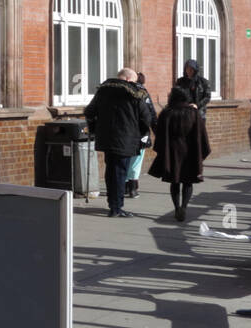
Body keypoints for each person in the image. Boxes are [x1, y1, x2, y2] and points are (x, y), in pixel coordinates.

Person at [84, 67, 156, 218]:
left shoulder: (102, 91)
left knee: (111, 171)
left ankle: (113, 204)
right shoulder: (135, 93)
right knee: (120, 173)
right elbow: (146, 118)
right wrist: (142, 132)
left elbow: (89, 111)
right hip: (127, 138)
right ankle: (116, 208)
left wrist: (94, 128)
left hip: (107, 138)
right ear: (129, 79)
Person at [151, 86, 211, 222]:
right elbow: (201, 134)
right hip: (190, 152)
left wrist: (161, 150)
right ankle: (184, 206)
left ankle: (177, 207)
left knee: (175, 181)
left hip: (172, 152)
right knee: (188, 181)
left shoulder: (167, 112)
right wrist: (202, 152)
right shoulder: (193, 113)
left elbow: (160, 134)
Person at [124, 72, 156, 199]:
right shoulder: (142, 92)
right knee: (136, 161)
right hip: (140, 131)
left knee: (125, 159)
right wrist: (156, 130)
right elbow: (151, 113)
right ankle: (133, 188)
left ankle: (125, 186)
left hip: (124, 131)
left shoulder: (120, 91)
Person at [175, 60, 212, 124]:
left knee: (198, 132)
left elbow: (207, 97)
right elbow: (176, 96)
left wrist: (197, 105)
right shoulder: (180, 82)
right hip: (184, 113)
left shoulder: (203, 82)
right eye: (187, 68)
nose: (189, 71)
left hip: (199, 113)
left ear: (195, 70)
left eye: (191, 69)